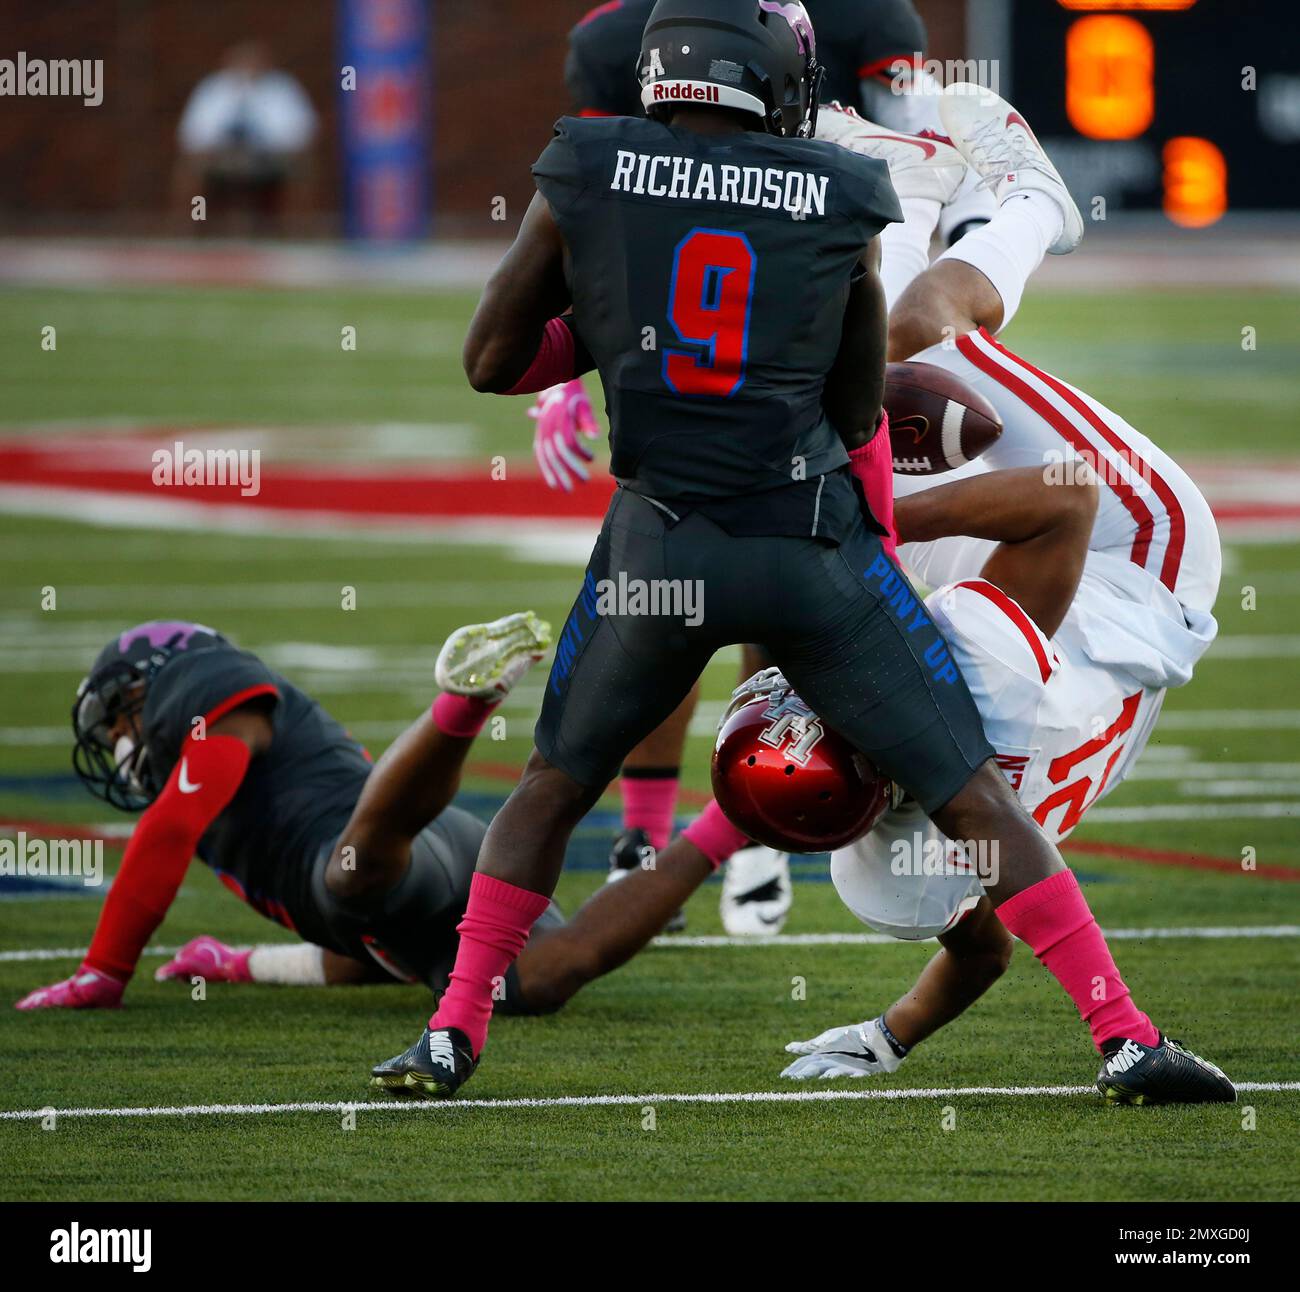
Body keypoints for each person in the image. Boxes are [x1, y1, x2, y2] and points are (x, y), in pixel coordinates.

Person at [367, 1, 1178, 1111]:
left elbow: (492, 361)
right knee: (970, 796)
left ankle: (451, 1033)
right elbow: (855, 414)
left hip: (660, 544)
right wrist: (870, 544)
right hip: (805, 547)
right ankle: (1125, 1037)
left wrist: (609, 334)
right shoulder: (839, 192)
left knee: (551, 785)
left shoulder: (587, 170)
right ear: (770, 82)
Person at [537, 0, 991, 890]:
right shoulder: (621, 35)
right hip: (788, 321)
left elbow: (913, 142)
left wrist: (563, 359)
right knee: (759, 571)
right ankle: (652, 840)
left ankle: (737, 846)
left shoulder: (855, 19)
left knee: (684, 590)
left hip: (783, 313)